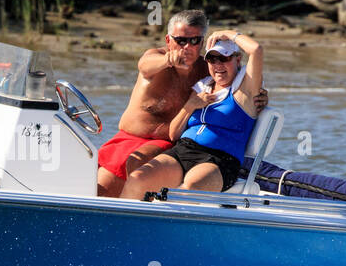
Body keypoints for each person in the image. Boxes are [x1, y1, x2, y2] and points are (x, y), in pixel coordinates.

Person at [96, 10, 266, 197]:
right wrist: (168, 60)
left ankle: (147, 215)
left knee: (139, 163)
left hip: (172, 145)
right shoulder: (155, 59)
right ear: (168, 41)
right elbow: (144, 66)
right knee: (98, 189)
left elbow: (242, 75)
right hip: (130, 139)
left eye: (194, 41)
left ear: (201, 43)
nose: (187, 47)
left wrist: (260, 94)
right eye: (181, 41)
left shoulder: (207, 70)